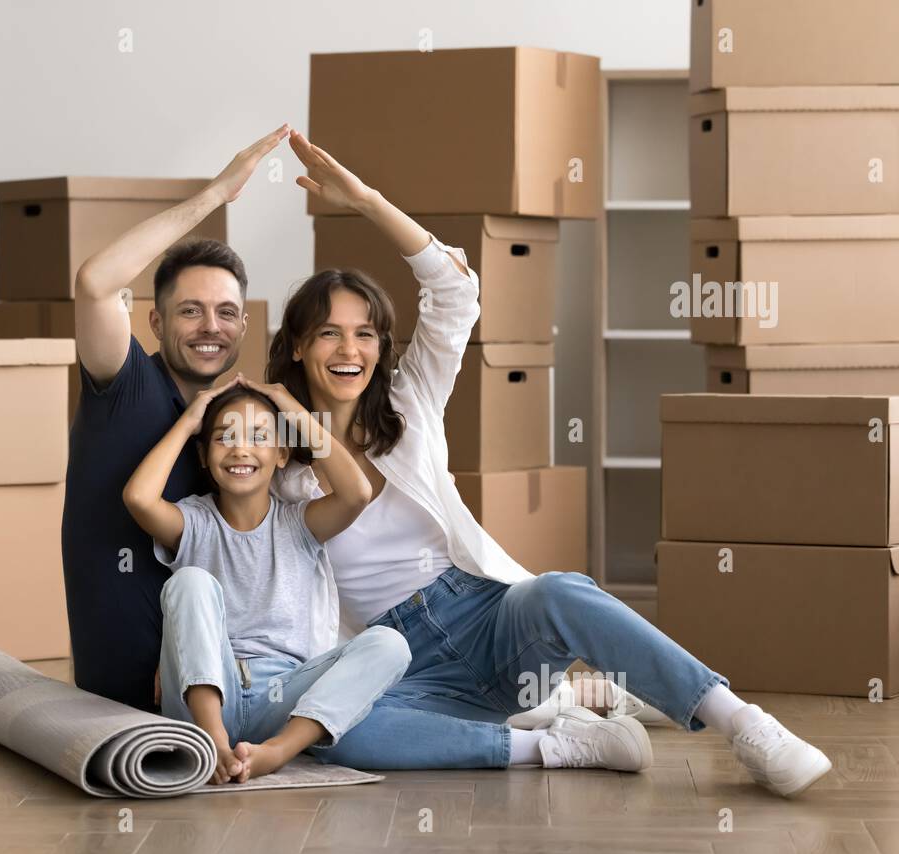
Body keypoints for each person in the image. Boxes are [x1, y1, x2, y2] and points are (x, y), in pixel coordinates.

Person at [261, 131, 832, 797]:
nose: (349, 348)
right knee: (335, 734)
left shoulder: (409, 400)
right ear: (298, 345)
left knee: (559, 591)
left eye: (365, 332)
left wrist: (364, 201)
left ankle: (745, 725)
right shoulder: (274, 463)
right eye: (328, 331)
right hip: (393, 658)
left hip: (482, 612)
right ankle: (561, 740)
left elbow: (454, 291)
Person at [64, 125, 290, 710]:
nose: (211, 326)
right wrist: (216, 195)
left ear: (243, 327)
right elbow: (93, 283)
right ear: (157, 325)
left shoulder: (231, 431)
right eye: (190, 311)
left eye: (225, 313)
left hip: (224, 682)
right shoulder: (125, 382)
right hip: (130, 695)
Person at [123, 379, 409, 782]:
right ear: (203, 456)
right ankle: (214, 741)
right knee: (190, 580)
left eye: (259, 437)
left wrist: (290, 406)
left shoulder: (298, 523)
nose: (241, 449)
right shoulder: (194, 522)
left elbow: (356, 492)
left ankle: (278, 751)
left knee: (390, 643)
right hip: (204, 695)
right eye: (225, 438)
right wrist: (189, 421)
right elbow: (138, 498)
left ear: (280, 454)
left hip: (282, 698)